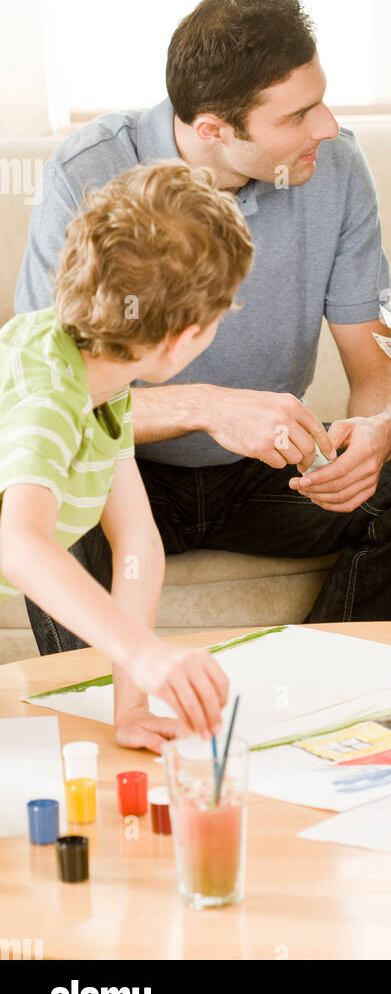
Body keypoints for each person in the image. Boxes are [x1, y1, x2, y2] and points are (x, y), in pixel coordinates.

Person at [15, 0, 391, 653]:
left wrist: (374, 434)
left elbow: (378, 367)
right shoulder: (86, 176)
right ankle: (107, 708)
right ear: (213, 130)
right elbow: (51, 400)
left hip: (266, 471)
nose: (326, 126)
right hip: (127, 462)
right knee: (55, 501)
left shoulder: (336, 168)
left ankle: (325, 689)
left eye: (321, 99)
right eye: (297, 116)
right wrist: (207, 406)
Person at [0, 161, 254, 748]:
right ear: (182, 339)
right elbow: (21, 546)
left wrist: (133, 703)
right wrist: (147, 653)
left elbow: (137, 542)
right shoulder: (49, 396)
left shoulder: (101, 379)